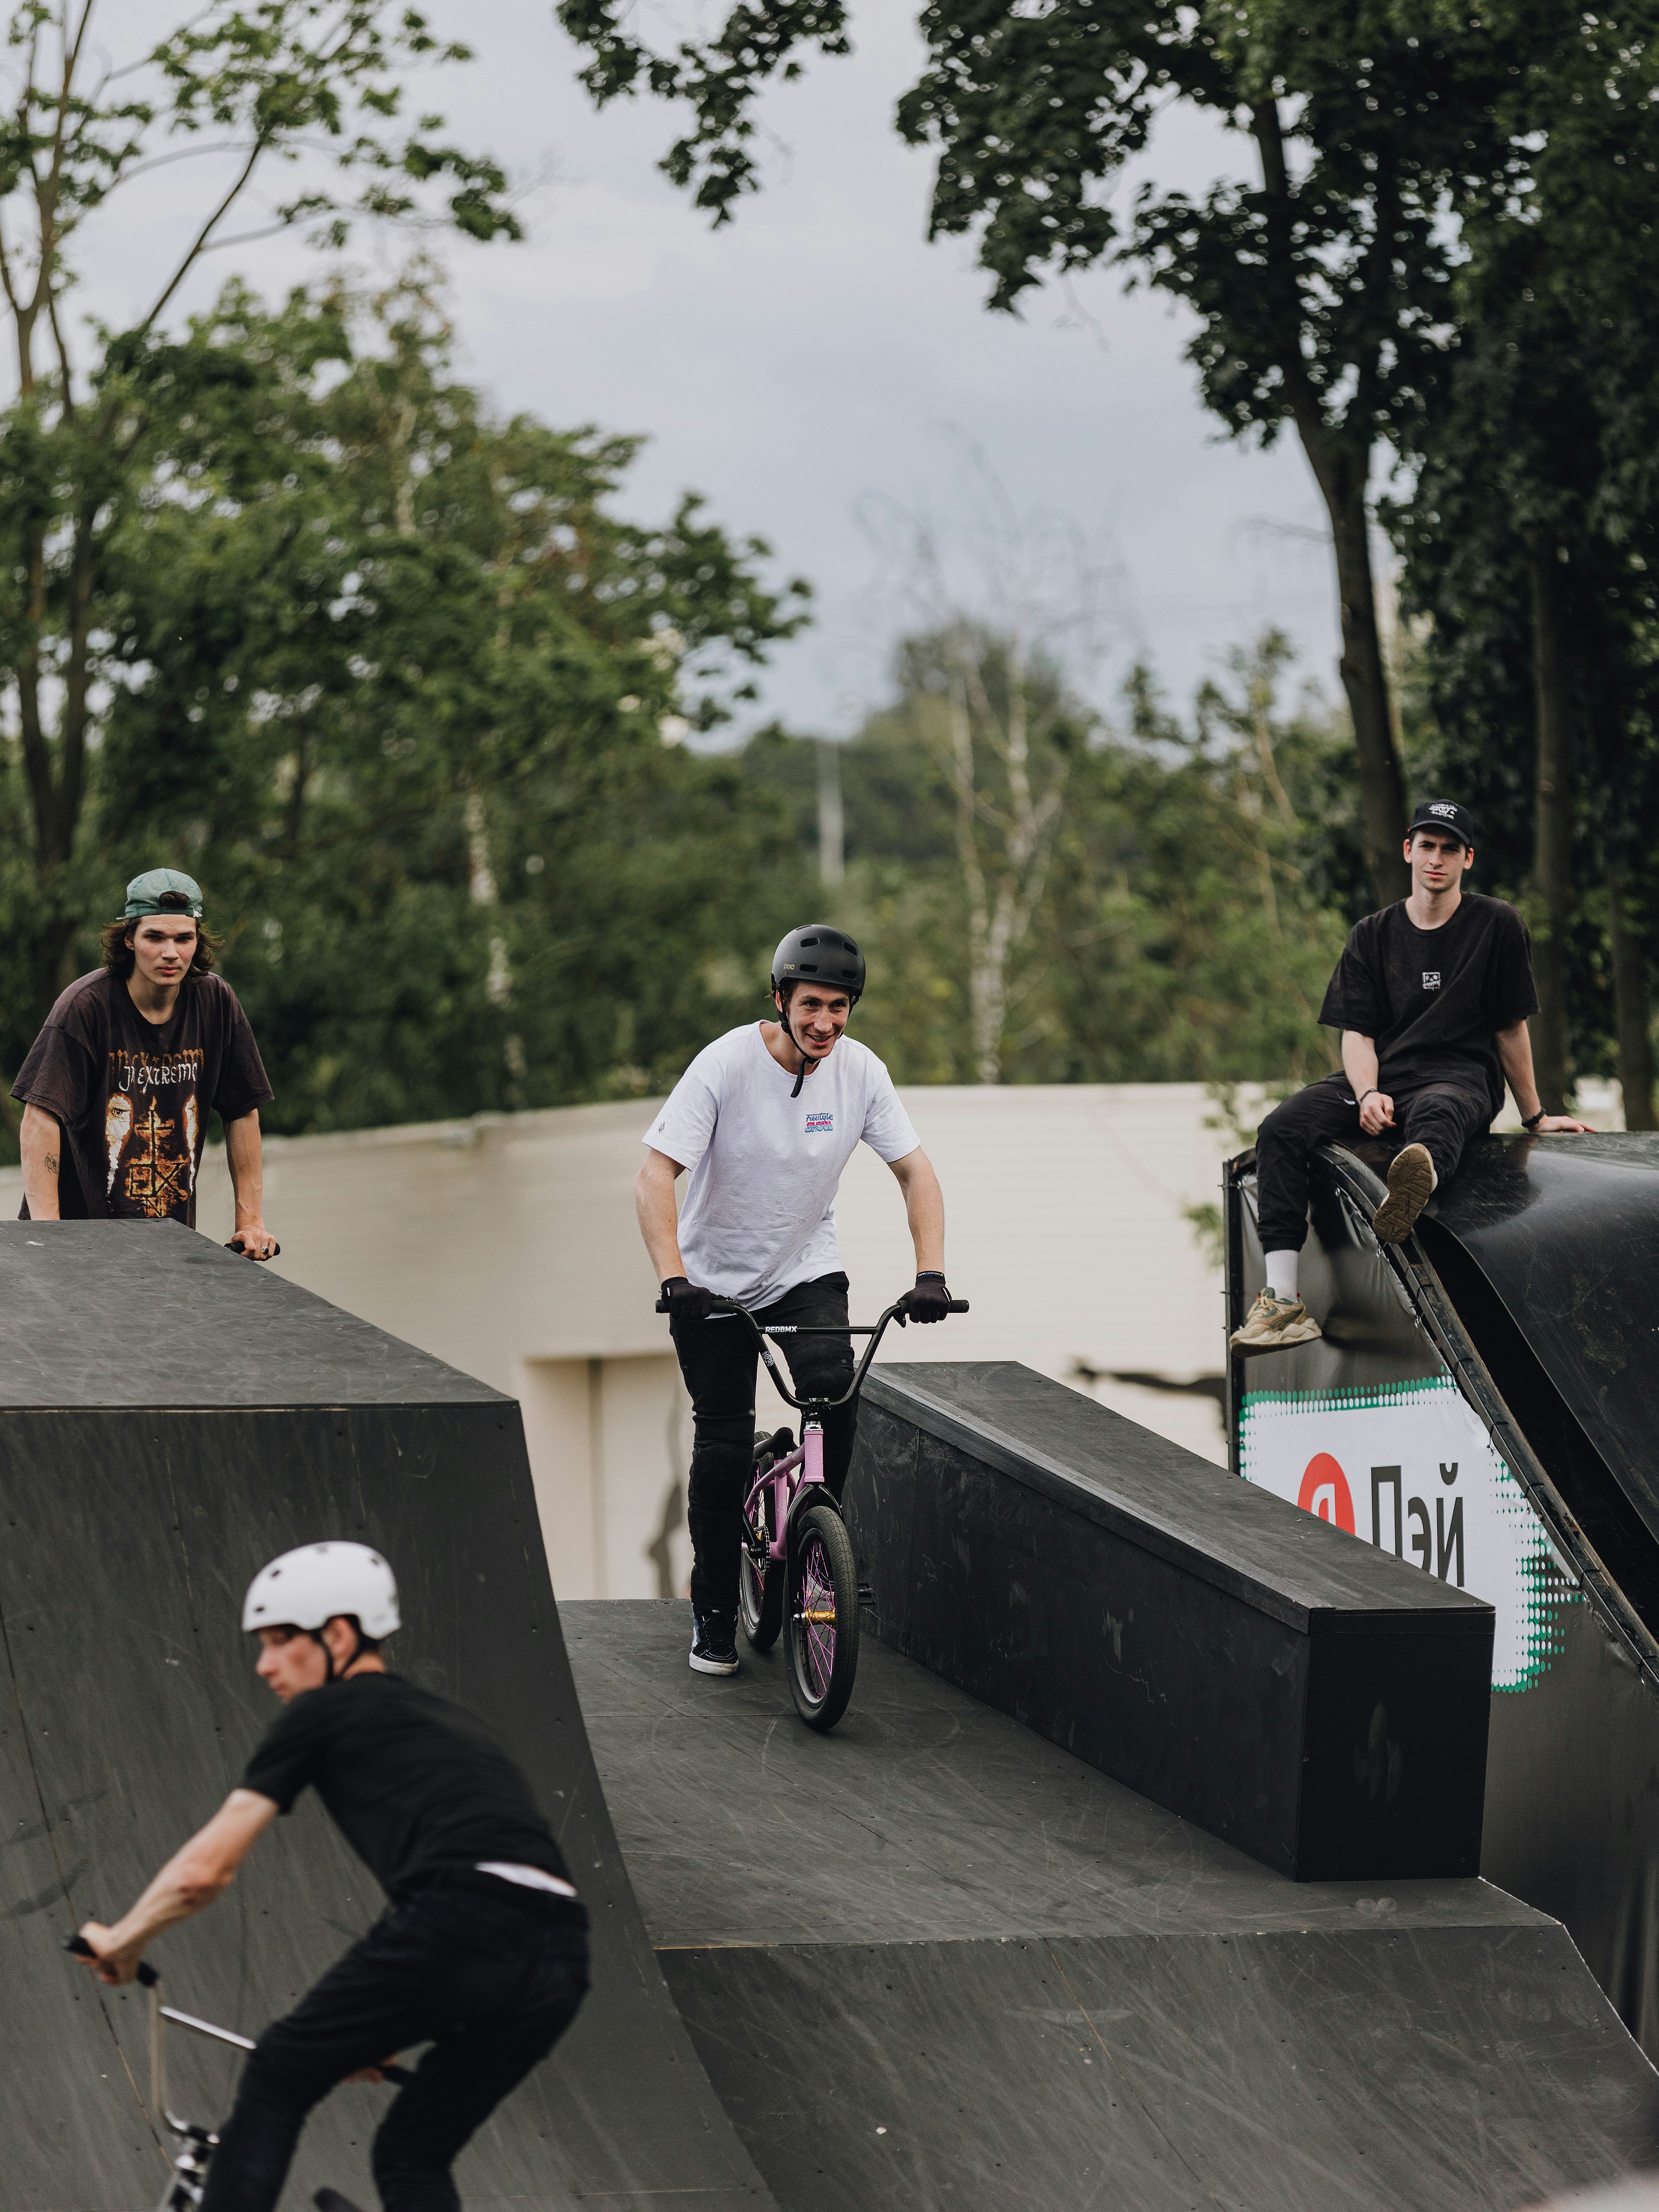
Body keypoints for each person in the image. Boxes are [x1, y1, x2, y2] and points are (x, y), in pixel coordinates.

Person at [73, 1541, 588, 2212]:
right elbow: (506, 1909)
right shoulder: (452, 1723)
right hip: (562, 1959)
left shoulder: (321, 1712)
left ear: (339, 1635)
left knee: (279, 2072)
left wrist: (126, 1939)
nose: (264, 1665)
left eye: (281, 1641)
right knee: (413, 2152)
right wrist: (379, 2028)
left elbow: (205, 1871)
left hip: (463, 1915)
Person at [636, 923, 955, 1676]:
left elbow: (916, 1172)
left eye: (839, 1008)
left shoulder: (861, 1073)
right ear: (779, 999)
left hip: (804, 1269)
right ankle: (714, 1613)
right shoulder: (724, 1064)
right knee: (720, 1448)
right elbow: (655, 1174)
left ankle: (814, 1541)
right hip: (711, 1283)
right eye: (810, 1004)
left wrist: (931, 1271)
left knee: (833, 1394)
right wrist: (673, 1277)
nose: (824, 1022)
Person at [1232, 799, 1593, 1354]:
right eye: (1427, 846)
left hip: (1459, 1075)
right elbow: (1358, 1034)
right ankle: (1283, 1302)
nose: (1437, 859)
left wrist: (1535, 1115)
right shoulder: (1372, 935)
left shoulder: (1497, 924)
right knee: (1283, 1125)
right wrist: (1367, 1093)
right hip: (1386, 1075)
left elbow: (1509, 1027)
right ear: (1408, 849)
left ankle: (1414, 1180)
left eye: (1450, 849)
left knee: (1441, 1110)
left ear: (1467, 860)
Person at [14, 868, 278, 1256]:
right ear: (130, 940)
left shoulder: (216, 1002)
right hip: (81, 1245)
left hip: (168, 1244)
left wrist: (251, 1222)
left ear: (196, 942)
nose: (171, 952)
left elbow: (242, 1111)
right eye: (155, 937)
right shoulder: (85, 1007)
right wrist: (51, 1236)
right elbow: (40, 1119)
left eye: (183, 938)